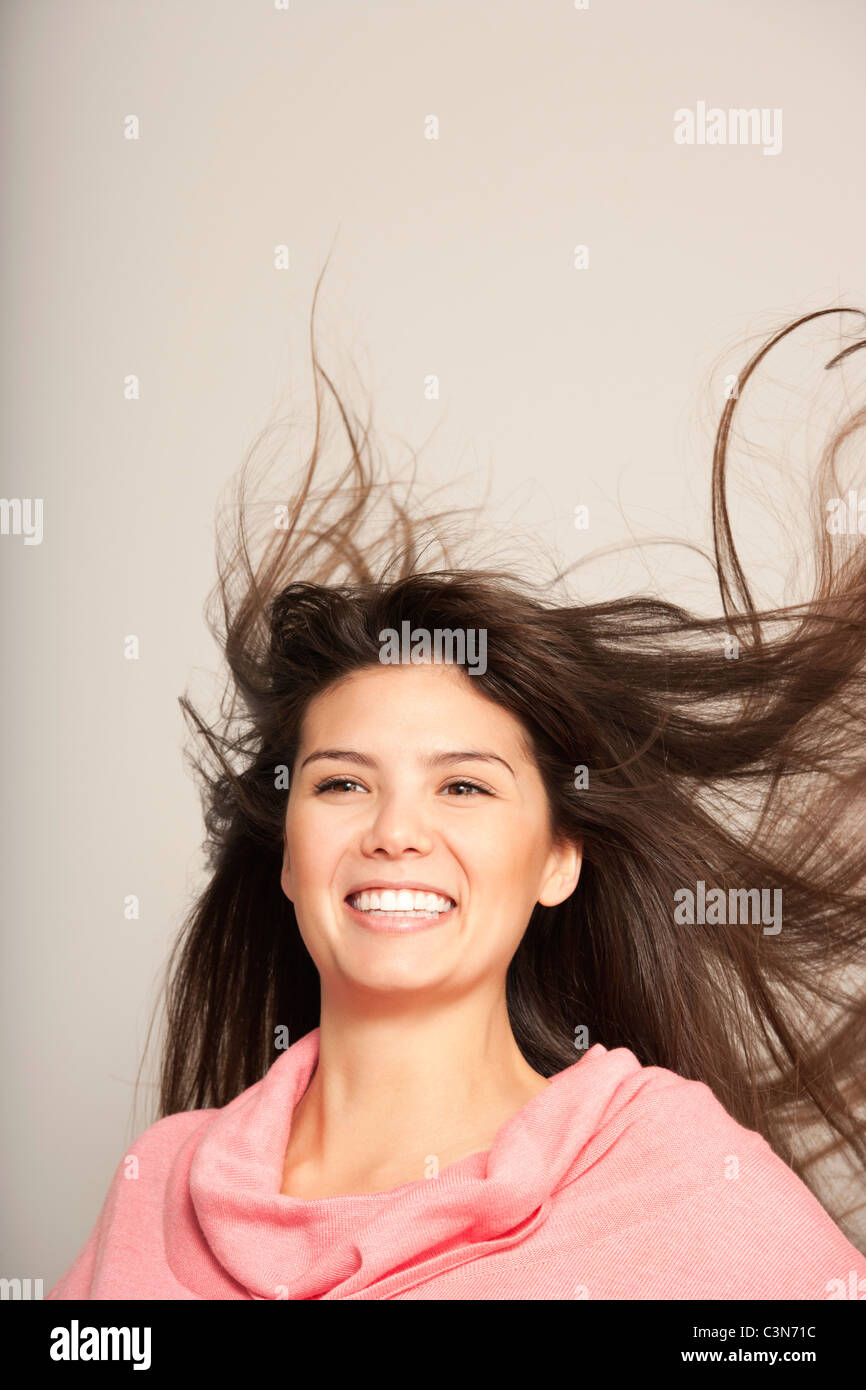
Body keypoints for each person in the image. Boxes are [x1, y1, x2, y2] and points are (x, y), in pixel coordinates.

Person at [49, 286, 866, 1299]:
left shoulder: (682, 1181)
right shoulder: (159, 1185)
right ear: (288, 853)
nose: (396, 831)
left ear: (558, 857)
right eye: (342, 782)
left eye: (465, 786)